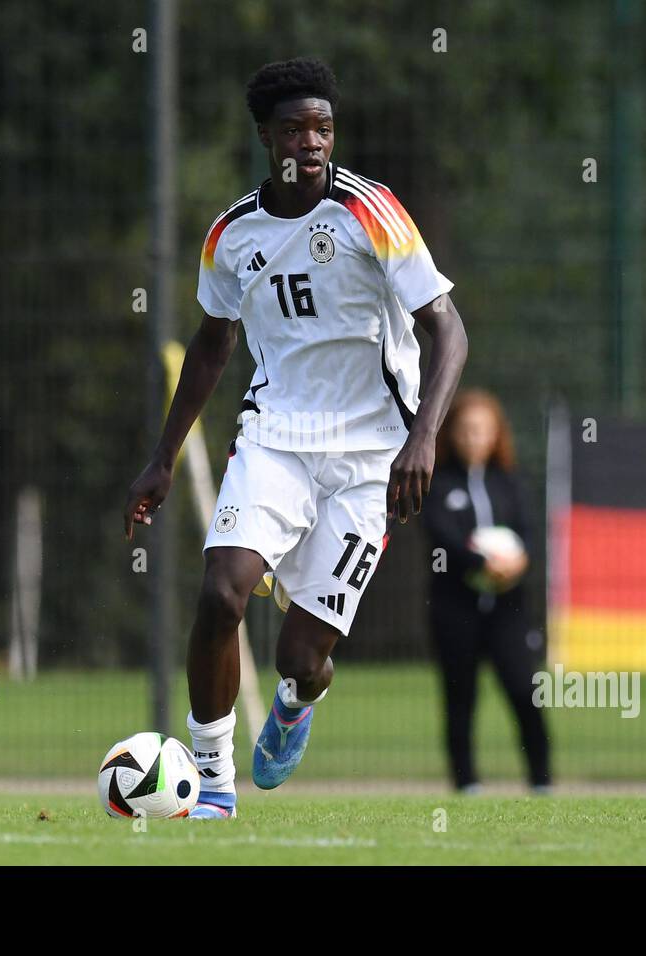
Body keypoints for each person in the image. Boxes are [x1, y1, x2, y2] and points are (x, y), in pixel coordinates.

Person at [123, 57, 468, 818]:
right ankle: (211, 784)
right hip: (275, 438)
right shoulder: (231, 233)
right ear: (265, 138)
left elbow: (447, 329)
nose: (311, 143)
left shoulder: (371, 212)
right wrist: (163, 456)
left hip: (372, 453)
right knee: (220, 595)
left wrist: (424, 438)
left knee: (302, 658)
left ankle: (295, 702)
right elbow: (213, 347)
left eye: (323, 128)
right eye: (294, 130)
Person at [421, 390, 550, 793]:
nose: (474, 438)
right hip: (454, 609)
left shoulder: (508, 482)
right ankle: (466, 784)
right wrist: (481, 563)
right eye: (466, 430)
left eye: (482, 430)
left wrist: (520, 558)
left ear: (496, 435)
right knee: (460, 697)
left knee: (524, 691)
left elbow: (530, 534)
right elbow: (441, 539)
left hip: (508, 610)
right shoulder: (438, 483)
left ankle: (542, 781)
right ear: (453, 433)